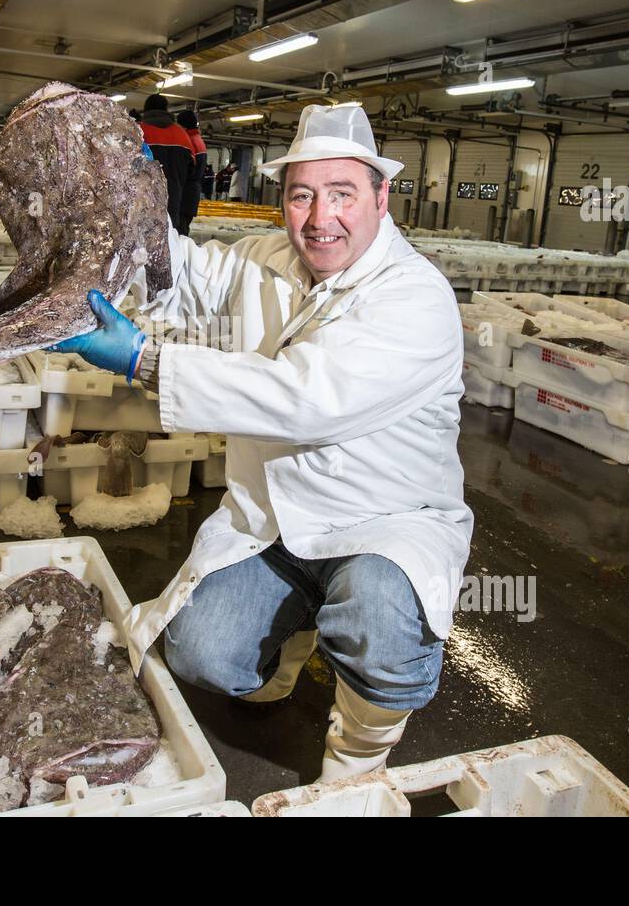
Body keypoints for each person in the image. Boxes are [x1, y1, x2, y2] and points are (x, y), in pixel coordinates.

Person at [52, 103, 471, 781]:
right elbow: (184, 278)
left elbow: (305, 399)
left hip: (384, 529)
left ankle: (356, 759)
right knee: (199, 651)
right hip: (278, 524)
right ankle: (285, 653)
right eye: (301, 195)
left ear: (381, 196)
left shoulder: (415, 297)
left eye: (342, 194)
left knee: (378, 614)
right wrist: (122, 210)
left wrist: (144, 360)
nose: (318, 217)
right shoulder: (268, 258)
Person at [139, 94, 195, 232]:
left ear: (145, 110)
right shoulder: (182, 136)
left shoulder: (138, 132)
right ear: (166, 109)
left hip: (142, 207)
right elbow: (191, 174)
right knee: (170, 243)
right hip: (173, 205)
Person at [176, 110, 207, 237]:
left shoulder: (189, 141)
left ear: (183, 125)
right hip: (192, 194)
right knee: (183, 230)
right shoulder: (198, 139)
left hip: (185, 194)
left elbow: (186, 170)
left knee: (180, 232)